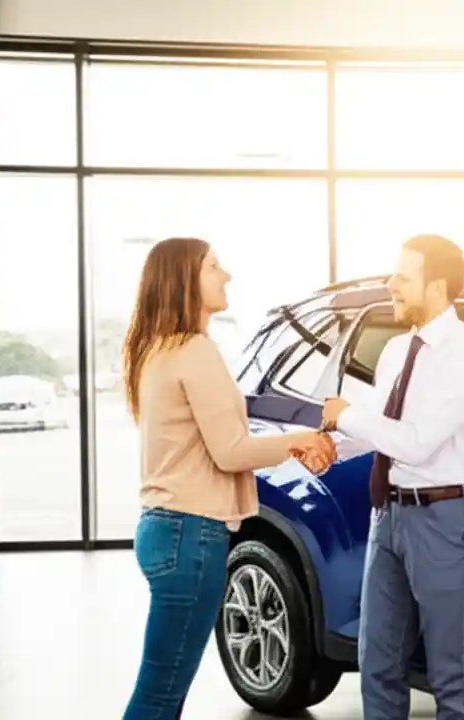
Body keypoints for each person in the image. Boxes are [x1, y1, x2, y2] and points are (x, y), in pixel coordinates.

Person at [121, 236, 336, 719]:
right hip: (190, 533)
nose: (227, 275)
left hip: (165, 530)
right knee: (159, 695)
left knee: (161, 688)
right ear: (184, 282)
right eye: (213, 267)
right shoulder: (194, 350)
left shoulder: (154, 350)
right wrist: (299, 440)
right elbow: (231, 451)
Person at [321, 234, 464, 720]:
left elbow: (418, 441)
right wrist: (331, 446)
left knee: (450, 676)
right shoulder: (399, 349)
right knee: (376, 663)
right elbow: (385, 427)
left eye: (403, 276)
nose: (390, 284)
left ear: (436, 286)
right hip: (389, 516)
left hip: (444, 521)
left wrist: (344, 414)